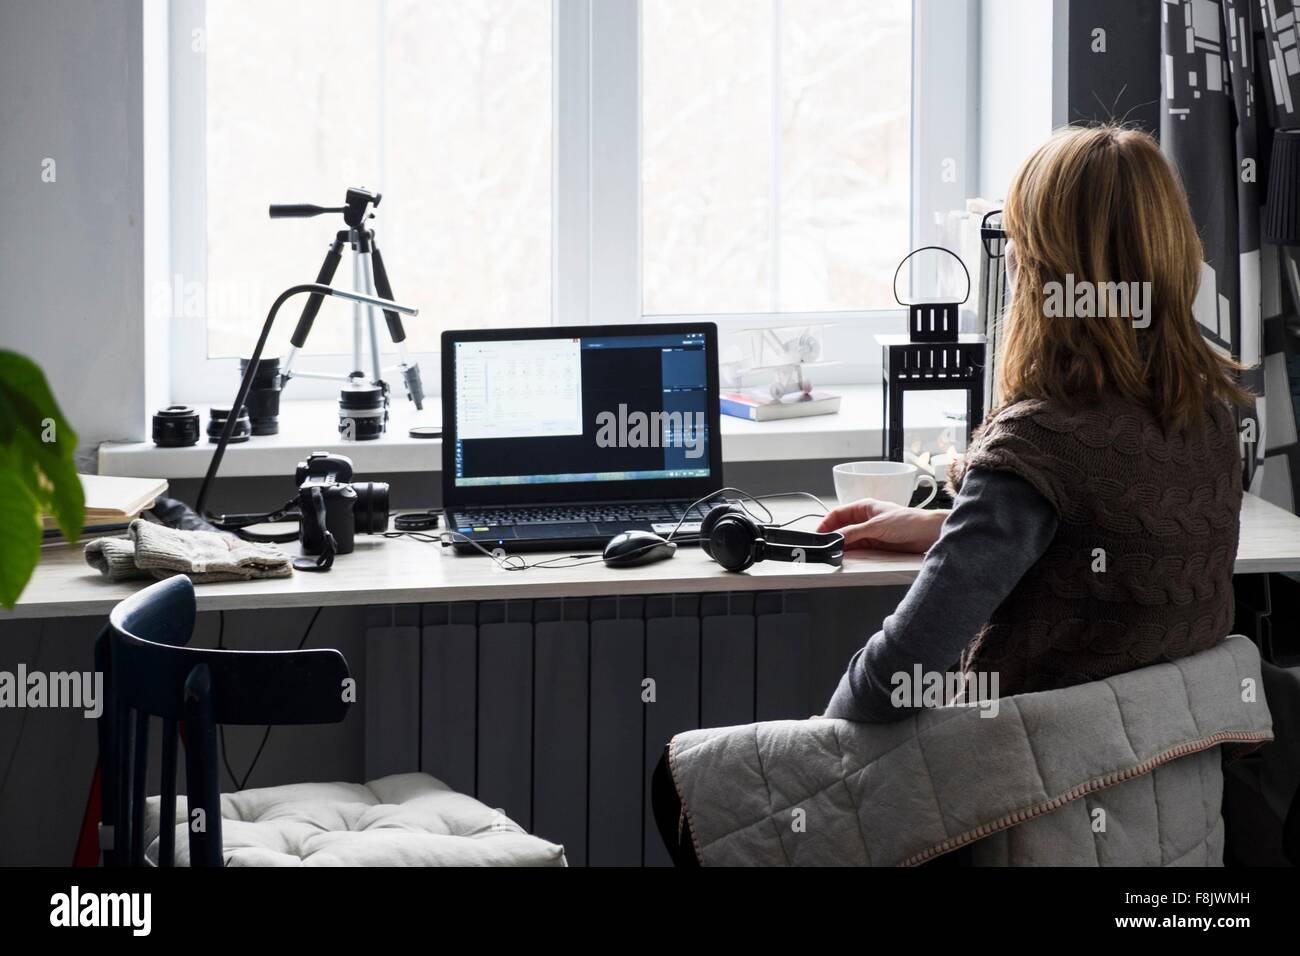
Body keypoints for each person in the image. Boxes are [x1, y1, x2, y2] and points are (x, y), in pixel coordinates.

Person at [821, 124, 1253, 723]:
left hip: (1029, 790)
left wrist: (813, 749)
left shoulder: (1039, 443)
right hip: (1173, 794)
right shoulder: (1209, 417)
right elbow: (1104, 545)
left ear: (1041, 273)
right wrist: (942, 527)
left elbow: (899, 673)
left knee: (681, 778)